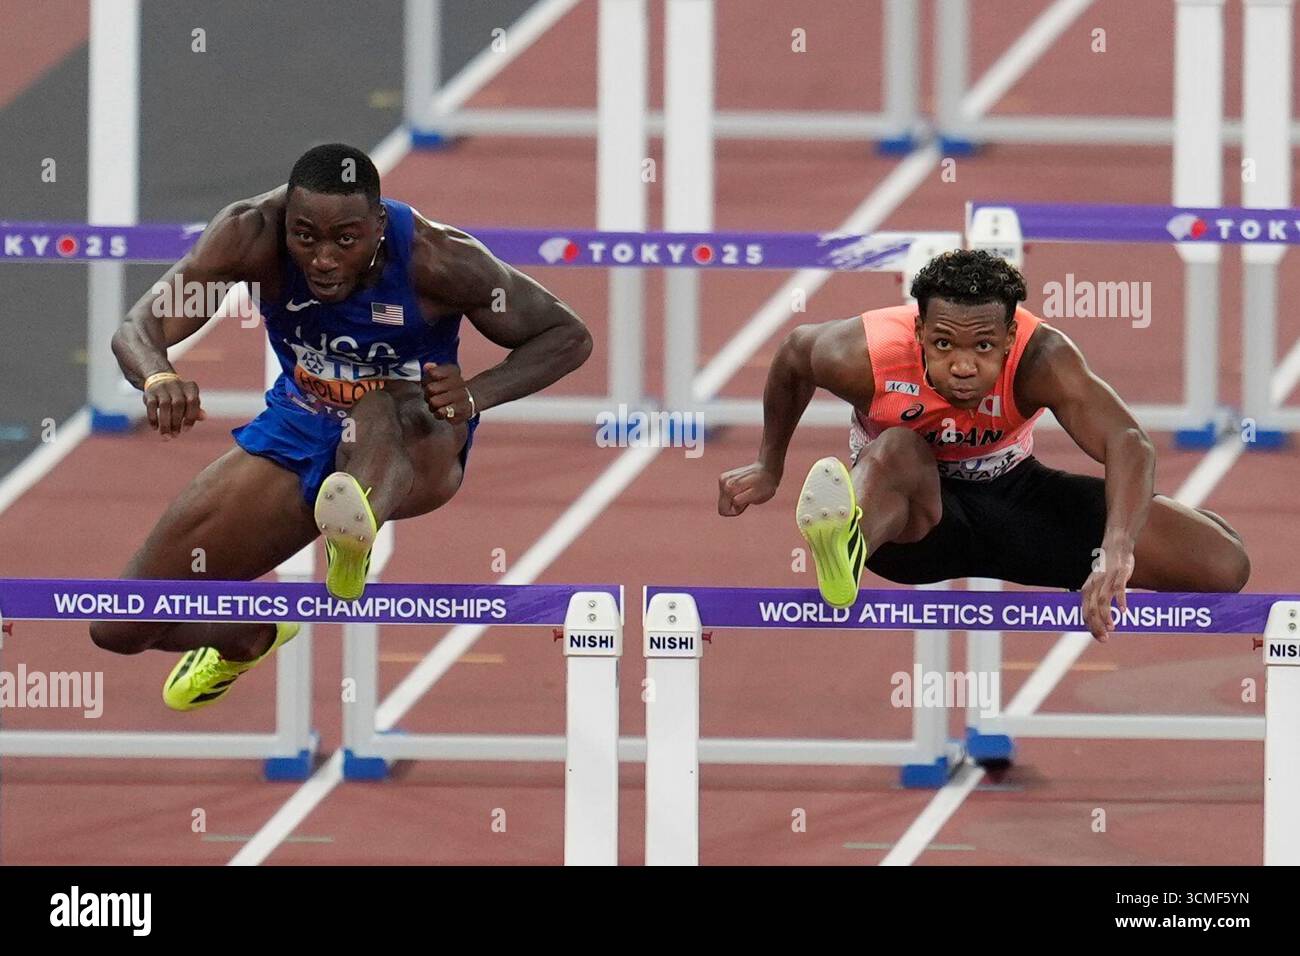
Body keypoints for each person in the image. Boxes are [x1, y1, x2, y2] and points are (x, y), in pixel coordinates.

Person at [91, 143, 592, 710]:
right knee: (120, 624)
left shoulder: (438, 258)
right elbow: (138, 327)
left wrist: (475, 394)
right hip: (297, 428)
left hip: (412, 441)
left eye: (344, 240)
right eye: (305, 238)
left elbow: (567, 336)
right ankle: (248, 635)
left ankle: (356, 532)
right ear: (285, 225)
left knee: (376, 406)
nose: (323, 259)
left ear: (378, 225)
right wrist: (158, 378)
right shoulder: (248, 234)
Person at [717, 249, 1249, 641]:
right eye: (943, 344)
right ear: (919, 330)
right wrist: (770, 466)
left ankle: (1122, 539)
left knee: (1224, 564)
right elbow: (791, 357)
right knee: (898, 447)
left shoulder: (1042, 358)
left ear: (1011, 340)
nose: (964, 365)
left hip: (1018, 501)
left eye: (984, 347)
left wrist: (1117, 547)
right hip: (912, 521)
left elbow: (1129, 441)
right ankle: (847, 545)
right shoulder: (860, 354)